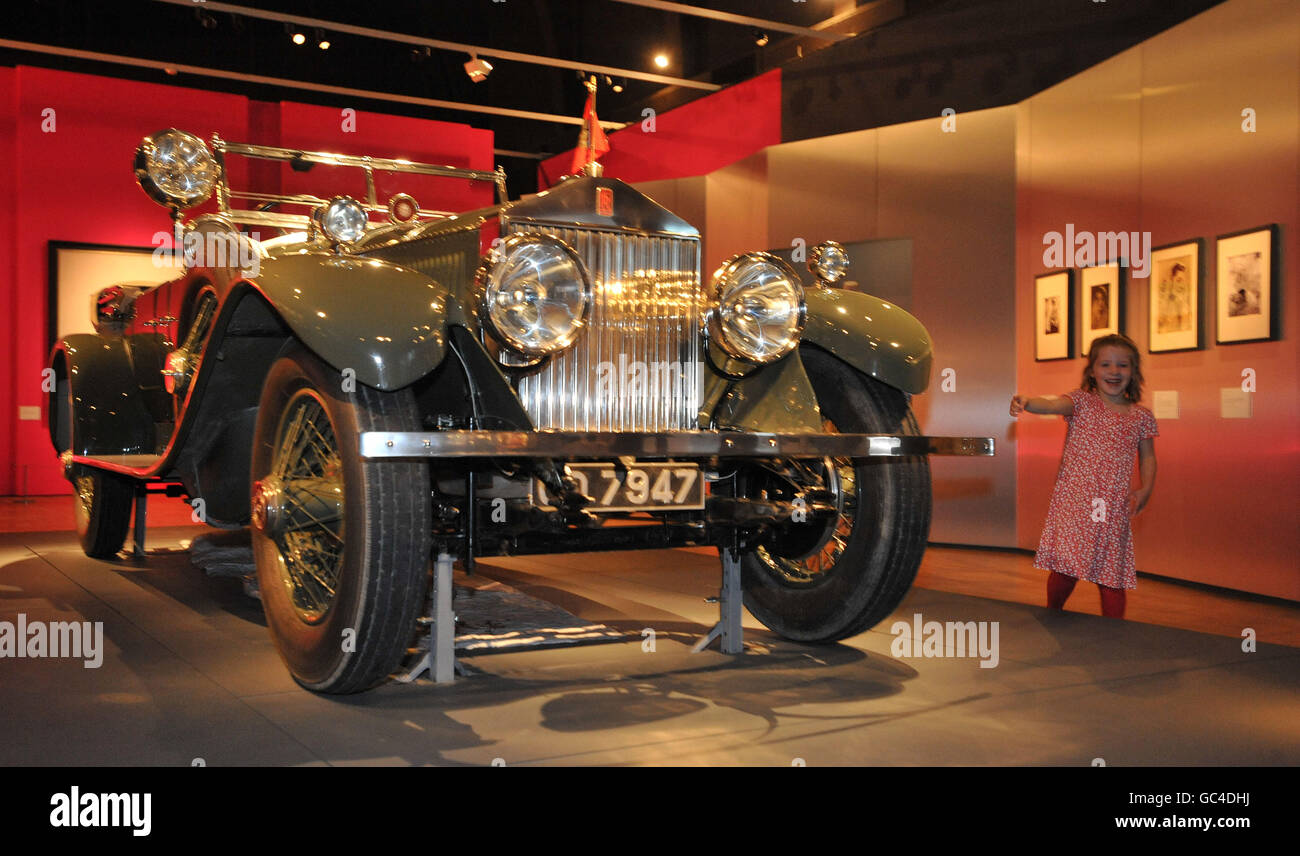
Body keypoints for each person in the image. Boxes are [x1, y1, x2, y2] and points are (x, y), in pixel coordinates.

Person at [1009, 333, 1157, 618]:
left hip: (1112, 507)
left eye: (1122, 366)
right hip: (1075, 502)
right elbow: (1051, 404)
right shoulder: (1080, 403)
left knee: (1111, 576)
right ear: (1092, 370)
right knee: (1066, 568)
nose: (1114, 372)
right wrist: (1027, 401)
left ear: (1134, 371)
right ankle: (1053, 612)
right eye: (1106, 365)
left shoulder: (1141, 416)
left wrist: (1145, 489)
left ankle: (1115, 634)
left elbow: (1148, 457)